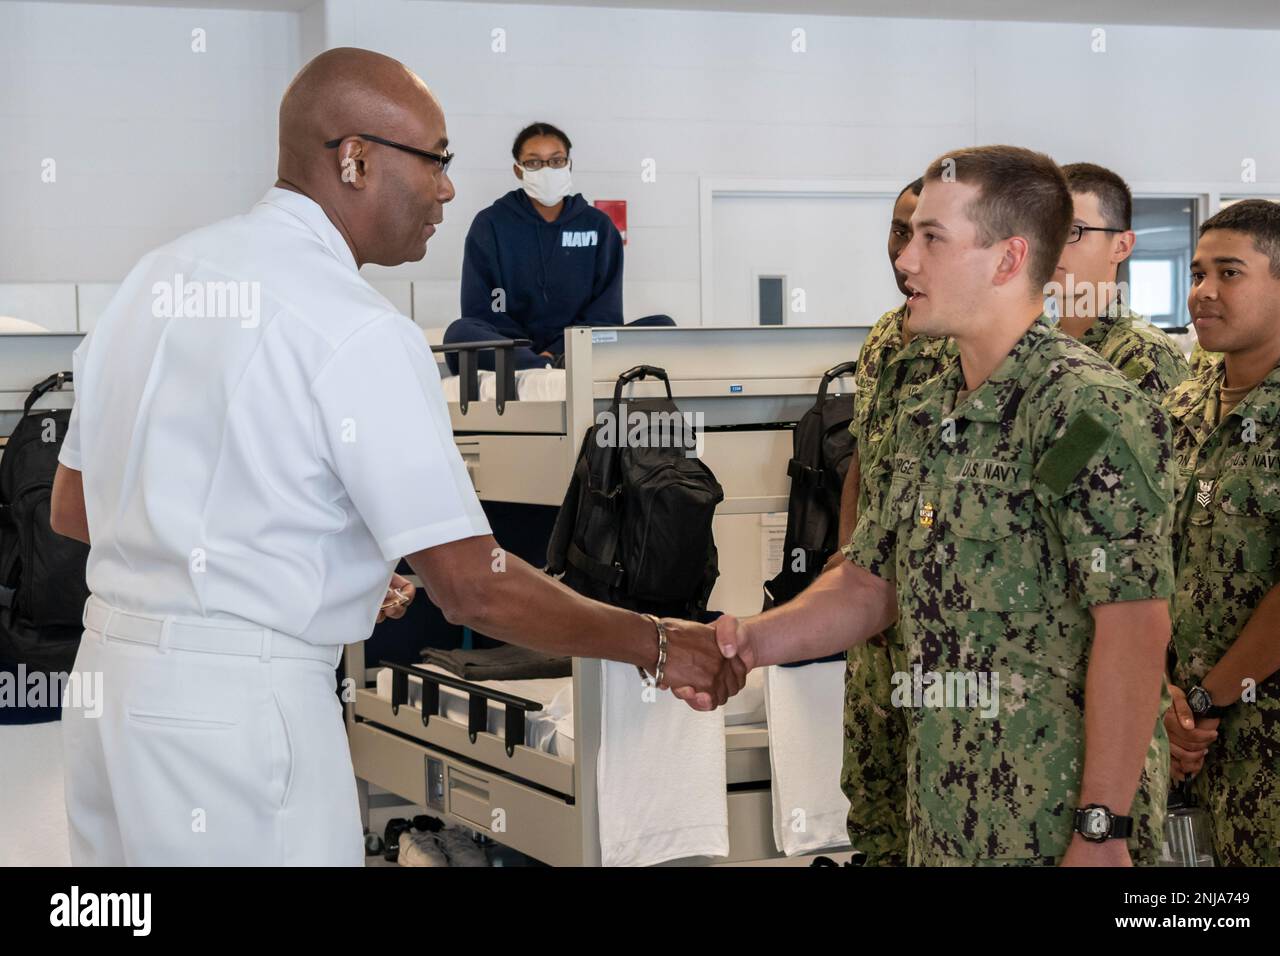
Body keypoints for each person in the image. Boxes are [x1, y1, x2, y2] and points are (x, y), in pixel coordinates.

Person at [48, 48, 740, 867]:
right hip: (237, 718)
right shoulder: (356, 327)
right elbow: (472, 584)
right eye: (436, 160)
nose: (448, 188)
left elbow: (78, 508)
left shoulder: (151, 281)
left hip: (107, 698)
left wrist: (312, 566)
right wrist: (659, 642)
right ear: (355, 157)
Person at [695, 146, 1173, 865]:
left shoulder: (1084, 415)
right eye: (909, 235)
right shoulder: (927, 413)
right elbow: (867, 584)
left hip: (1052, 821)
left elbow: (1135, 630)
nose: (906, 261)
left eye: (932, 239)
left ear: (1008, 260)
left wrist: (1101, 826)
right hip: (945, 809)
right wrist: (746, 642)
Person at [1161, 199, 1280, 866]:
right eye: (1196, 273)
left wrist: (1202, 699)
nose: (1203, 293)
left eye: (1230, 273)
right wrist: (1168, 697)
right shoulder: (1180, 404)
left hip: (1279, 741)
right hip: (1184, 732)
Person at [832, 177, 956, 864]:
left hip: (941, 623)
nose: (904, 248)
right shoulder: (883, 337)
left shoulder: (970, 340)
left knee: (939, 804)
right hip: (873, 614)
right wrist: (849, 551)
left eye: (925, 232)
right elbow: (864, 451)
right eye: (897, 228)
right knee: (875, 798)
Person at [444, 122, 672, 373]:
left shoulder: (598, 226)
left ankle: (549, 364)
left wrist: (558, 349)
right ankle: (542, 366)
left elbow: (605, 313)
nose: (546, 169)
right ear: (518, 170)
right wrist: (527, 351)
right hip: (511, 348)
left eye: (556, 161)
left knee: (663, 326)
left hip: (581, 347)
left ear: (569, 165)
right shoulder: (490, 224)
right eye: (533, 162)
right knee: (460, 333)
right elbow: (483, 309)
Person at [1054, 162, 1189, 394]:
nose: (1051, 246)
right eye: (1045, 231)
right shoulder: (1046, 344)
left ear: (1121, 246)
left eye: (1073, 231)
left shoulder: (1144, 354)